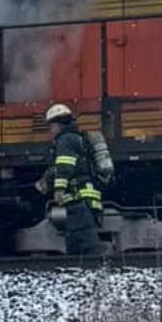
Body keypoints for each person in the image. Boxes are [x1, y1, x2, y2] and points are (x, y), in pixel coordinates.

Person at [42, 103, 106, 257]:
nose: (51, 130)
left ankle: (91, 268)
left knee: (83, 240)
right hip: (84, 198)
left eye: (51, 125)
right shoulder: (76, 138)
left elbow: (64, 166)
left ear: (57, 124)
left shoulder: (65, 139)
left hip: (78, 199)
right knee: (78, 239)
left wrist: (59, 189)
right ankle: (82, 268)